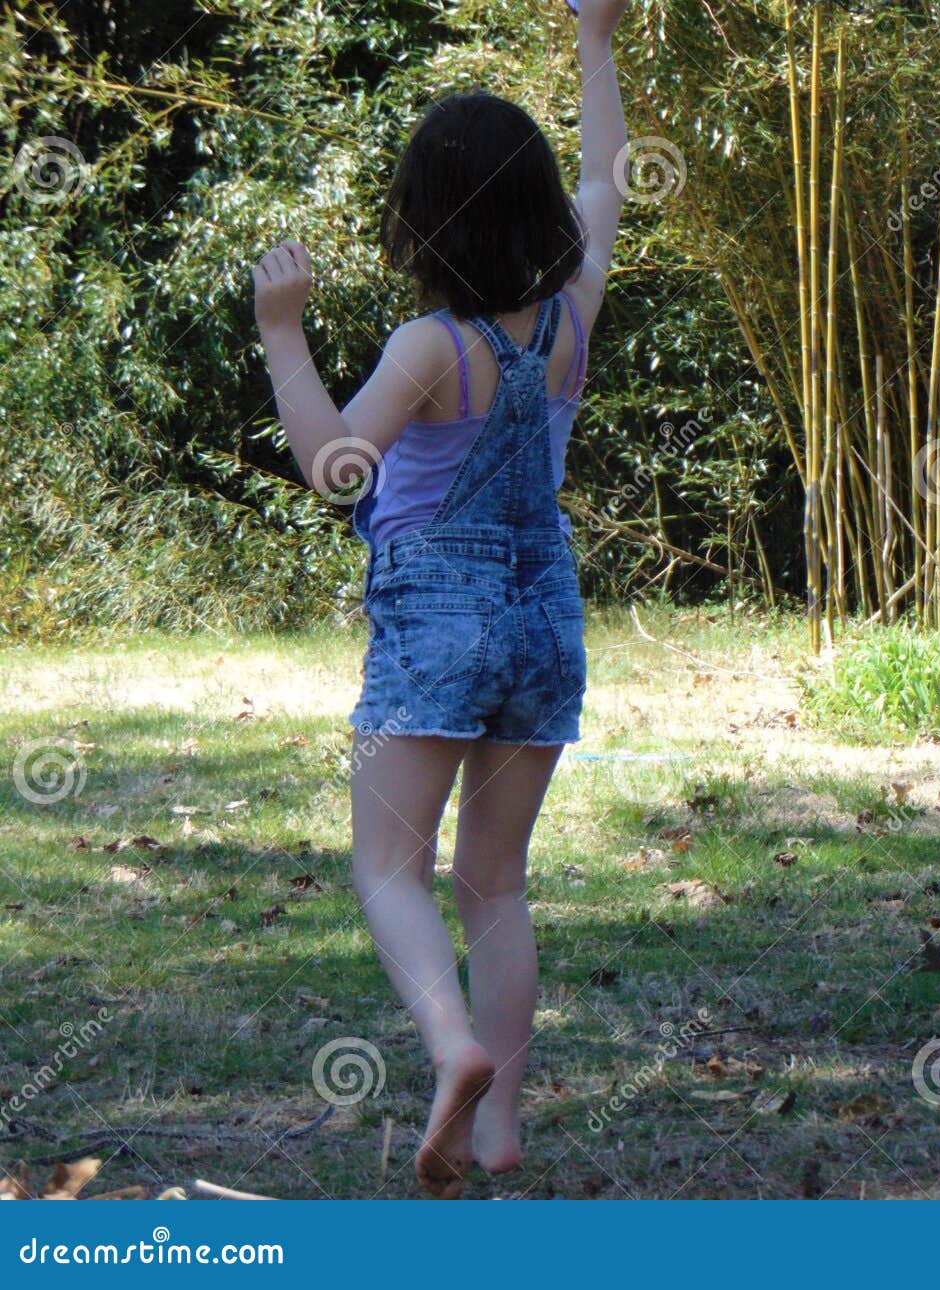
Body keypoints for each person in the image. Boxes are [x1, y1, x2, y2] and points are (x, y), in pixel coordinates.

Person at [252, 0, 631, 1197]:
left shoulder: (430, 347)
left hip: (437, 621)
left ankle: (450, 1047)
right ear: (540, 214)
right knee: (497, 883)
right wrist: (596, 46)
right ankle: (502, 1123)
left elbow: (334, 467)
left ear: (423, 220)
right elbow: (611, 186)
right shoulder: (569, 323)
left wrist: (282, 337)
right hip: (543, 618)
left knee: (385, 869)